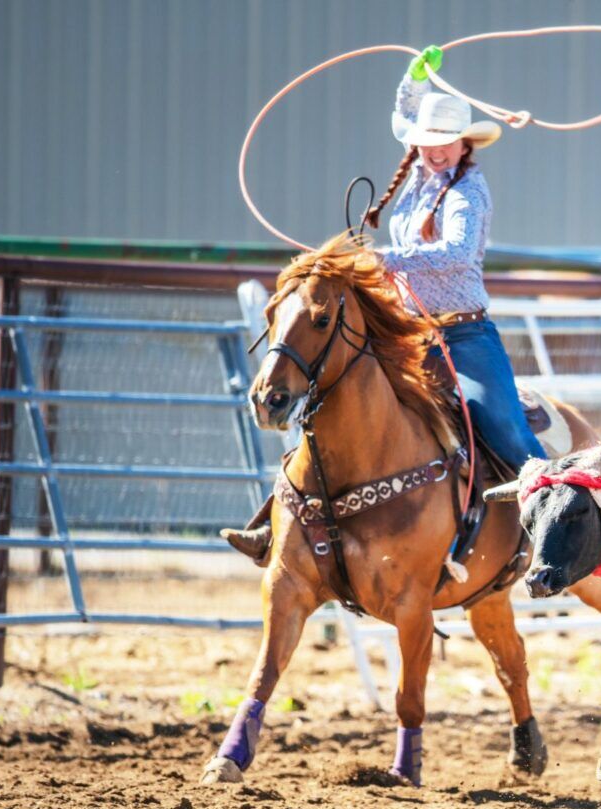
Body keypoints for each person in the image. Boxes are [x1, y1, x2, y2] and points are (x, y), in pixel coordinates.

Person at [224, 45, 545, 564]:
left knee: (503, 425)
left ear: (465, 144)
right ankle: (277, 523)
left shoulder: (469, 193)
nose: (434, 151)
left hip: (462, 337)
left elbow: (459, 251)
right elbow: (403, 111)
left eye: (444, 143)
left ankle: (553, 512)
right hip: (407, 333)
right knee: (332, 400)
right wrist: (414, 75)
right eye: (426, 142)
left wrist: (386, 261)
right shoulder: (422, 176)